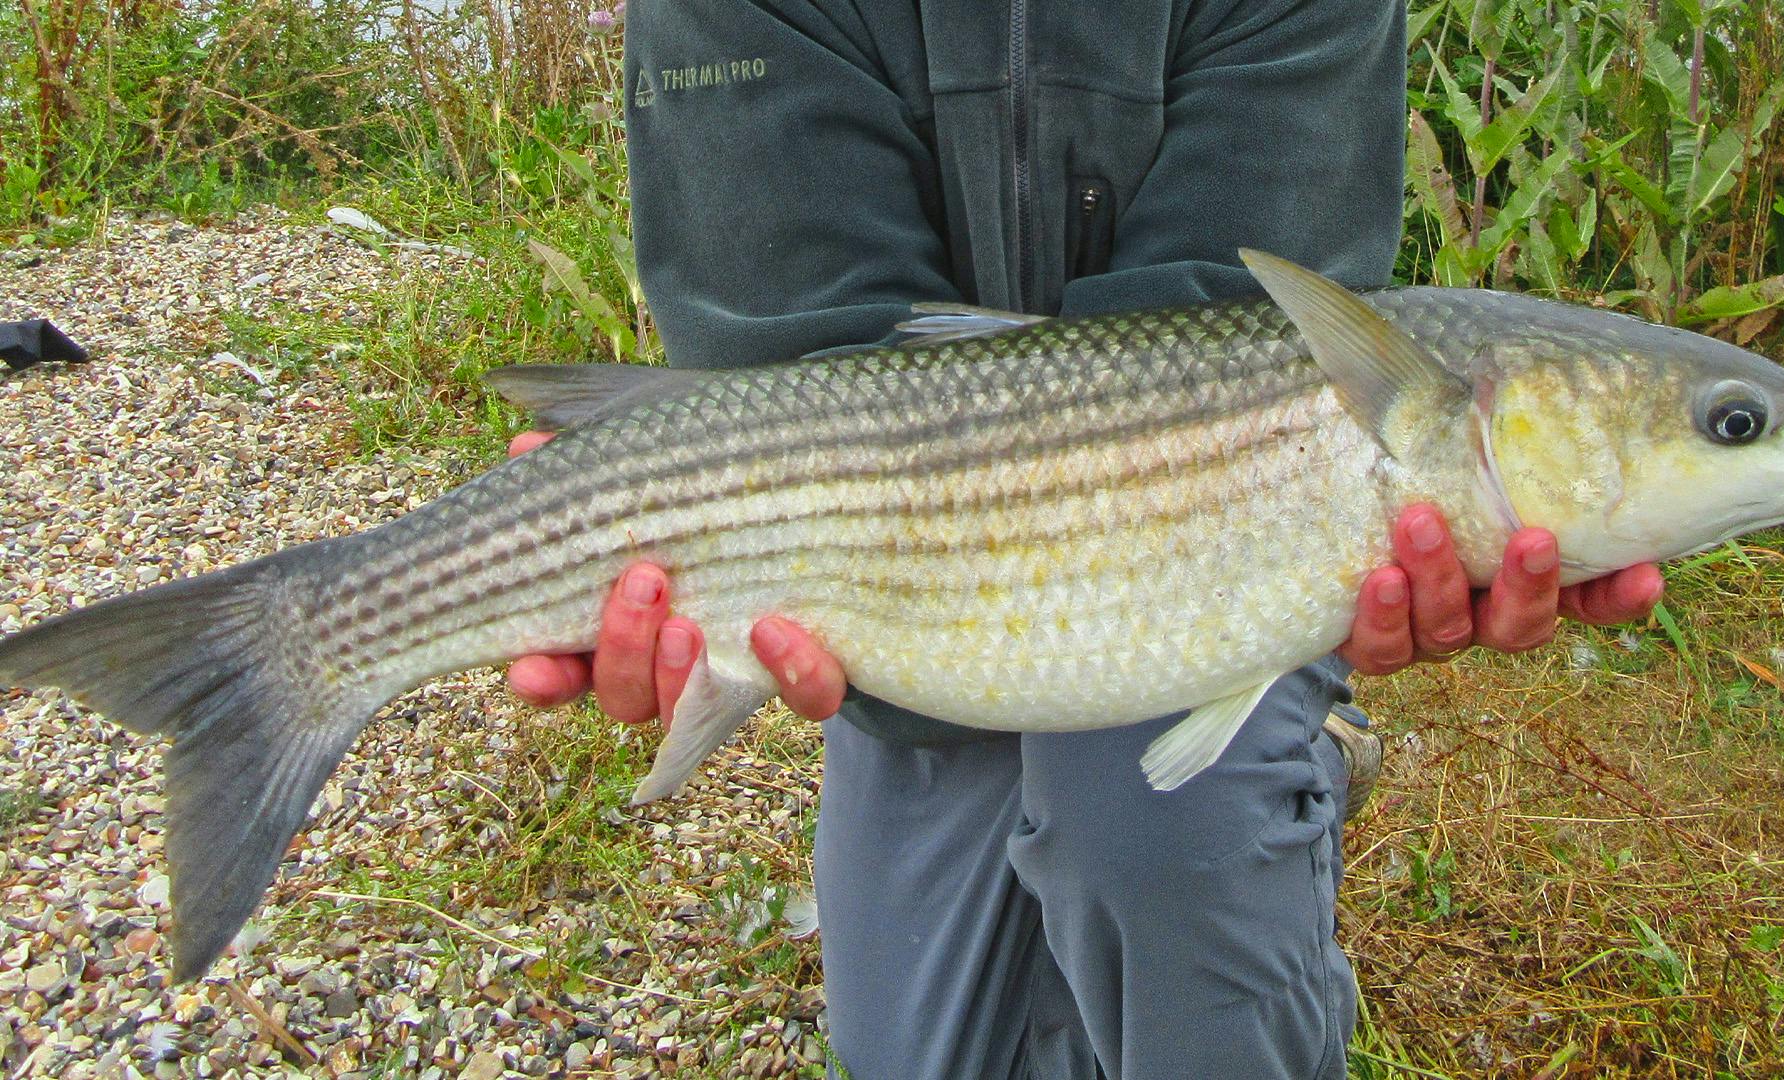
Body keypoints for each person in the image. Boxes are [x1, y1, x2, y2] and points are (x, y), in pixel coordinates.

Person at [504, 2, 1665, 1076]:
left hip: (1214, 548)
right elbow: (791, 345)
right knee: (910, 1055)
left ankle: (1288, 729)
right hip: (894, 583)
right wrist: (657, 507)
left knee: (1161, 875)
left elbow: (1242, 317)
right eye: (1729, 426)